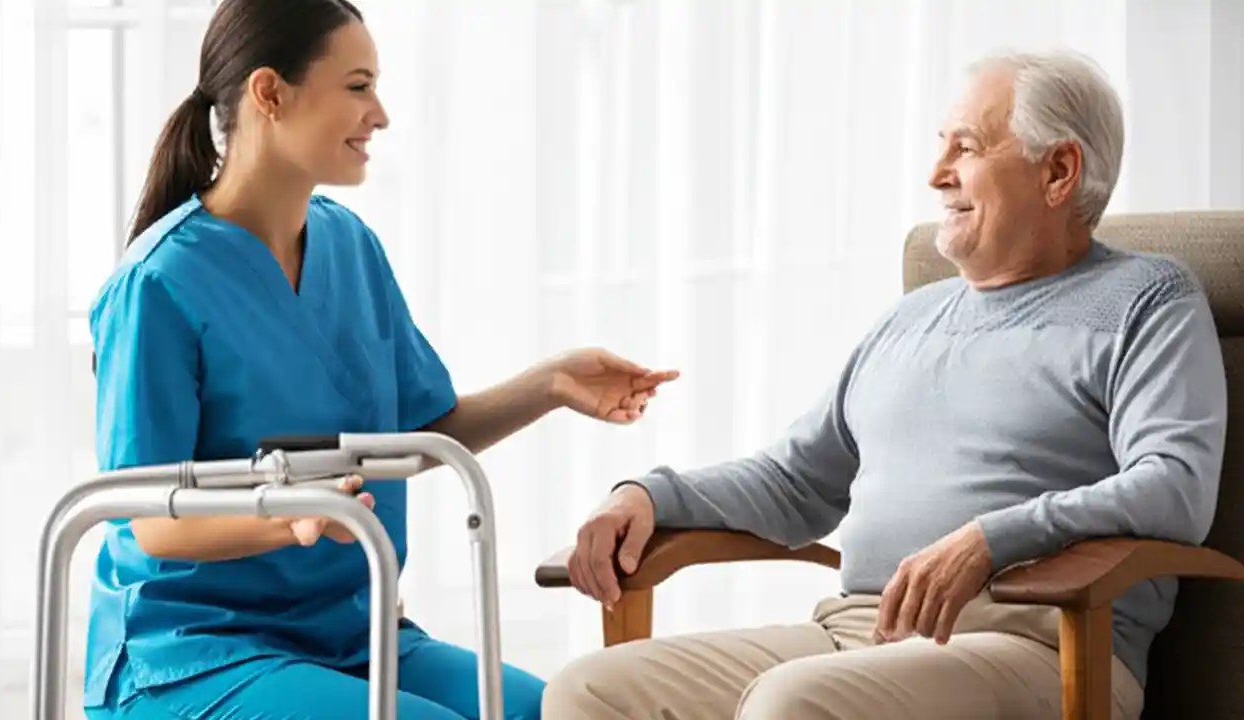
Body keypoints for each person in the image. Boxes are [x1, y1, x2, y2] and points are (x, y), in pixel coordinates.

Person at [546, 50, 1228, 720]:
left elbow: (1173, 487)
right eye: (941, 146)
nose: (937, 175)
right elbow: (795, 483)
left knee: (792, 702)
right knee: (590, 691)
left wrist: (990, 540)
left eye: (966, 147)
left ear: (1058, 171)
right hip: (858, 633)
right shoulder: (911, 318)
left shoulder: (1146, 301)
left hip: (1038, 645)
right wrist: (648, 496)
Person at [83, 1, 678, 718]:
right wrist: (293, 516)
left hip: (353, 633)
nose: (382, 115)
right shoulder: (159, 285)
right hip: (194, 652)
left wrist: (550, 384)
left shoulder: (349, 247)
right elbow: (152, 521)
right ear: (271, 93)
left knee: (568, 711)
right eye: (358, 86)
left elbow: (418, 438)